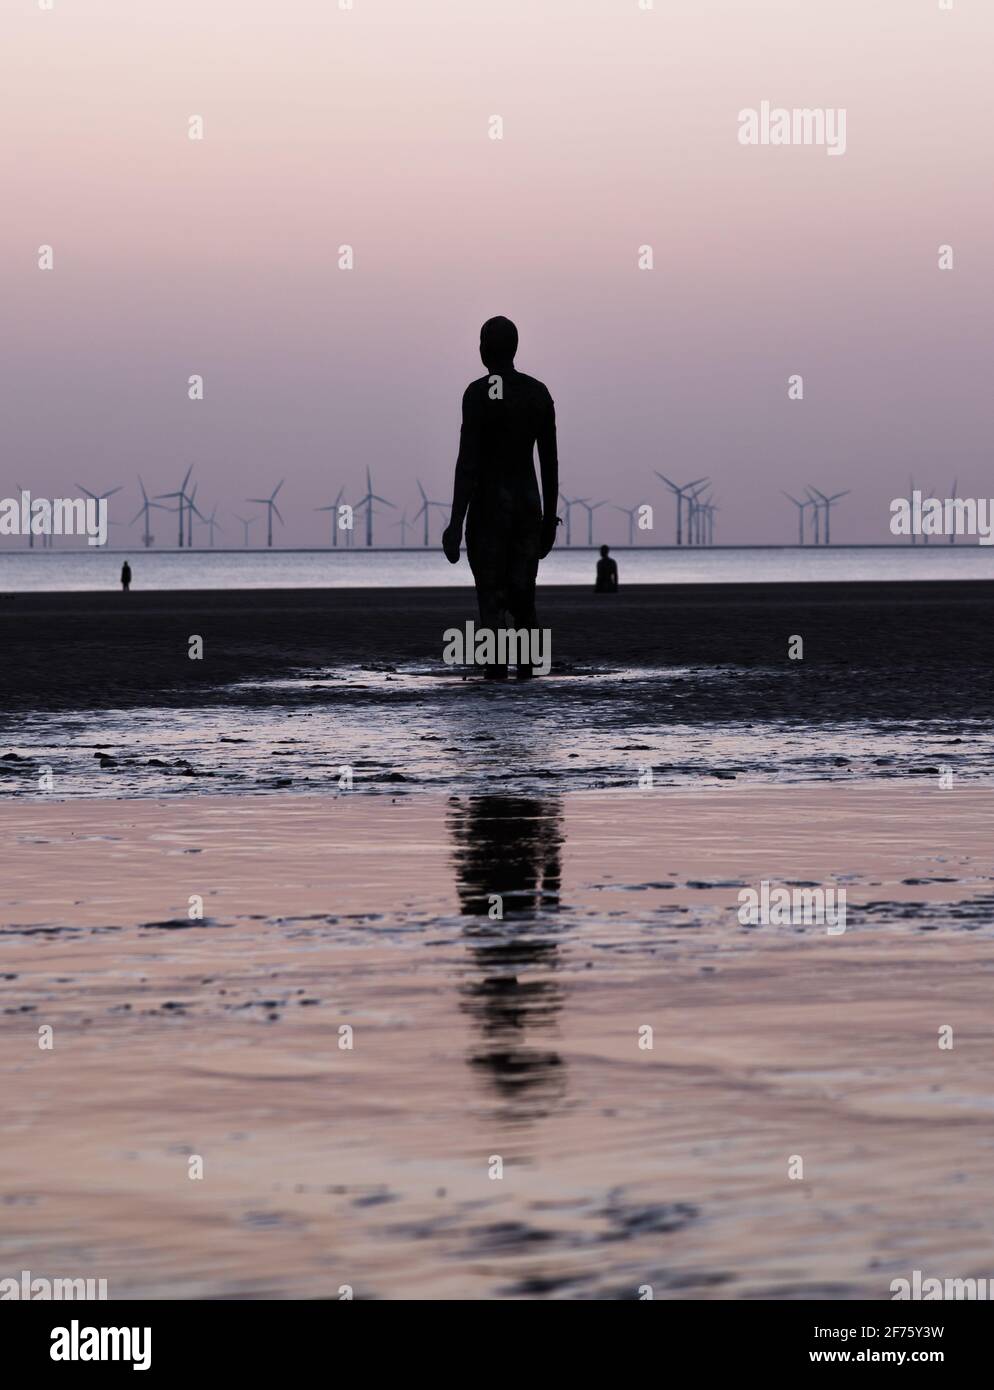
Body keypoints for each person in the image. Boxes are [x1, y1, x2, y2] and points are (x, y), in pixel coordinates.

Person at [442, 317, 559, 679]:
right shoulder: (537, 393)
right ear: (515, 348)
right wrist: (549, 518)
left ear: (483, 349)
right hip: (526, 505)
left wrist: (455, 522)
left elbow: (468, 463)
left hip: (488, 508)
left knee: (491, 601)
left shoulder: (477, 395)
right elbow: (549, 463)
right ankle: (529, 674)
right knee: (524, 599)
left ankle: (495, 673)